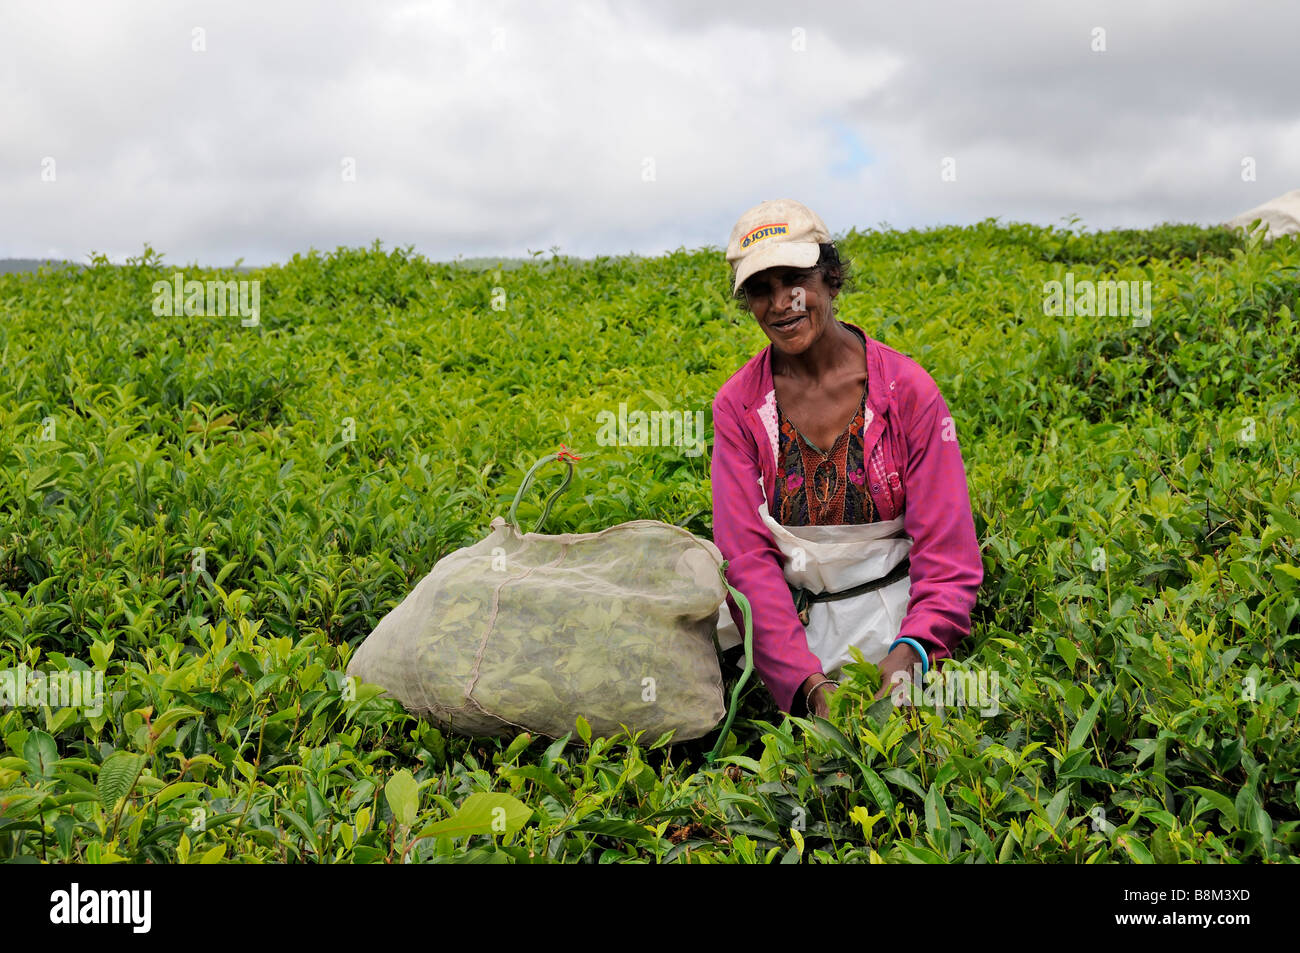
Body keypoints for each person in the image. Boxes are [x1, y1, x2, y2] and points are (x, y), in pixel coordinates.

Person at [710, 198, 983, 719]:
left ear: (831, 280)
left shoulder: (906, 391)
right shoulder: (739, 407)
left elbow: (947, 554)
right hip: (791, 634)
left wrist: (911, 652)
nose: (780, 303)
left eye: (795, 280)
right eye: (760, 291)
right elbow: (746, 561)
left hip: (901, 617)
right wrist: (807, 684)